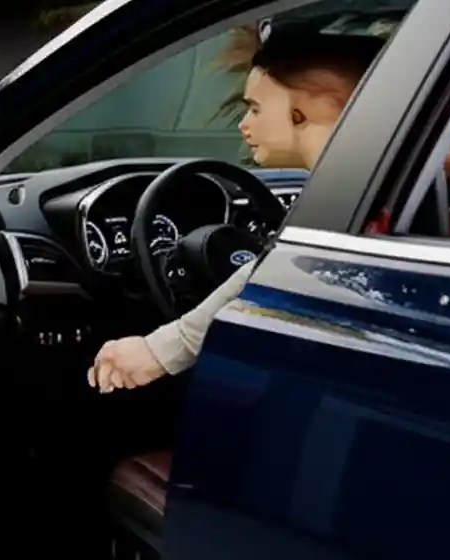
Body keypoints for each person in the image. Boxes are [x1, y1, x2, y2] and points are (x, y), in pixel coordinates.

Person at [86, 29, 387, 393]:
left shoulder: (352, 198)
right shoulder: (374, 188)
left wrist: (159, 349)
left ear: (308, 109)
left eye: (255, 108)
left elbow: (278, 274)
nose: (244, 124)